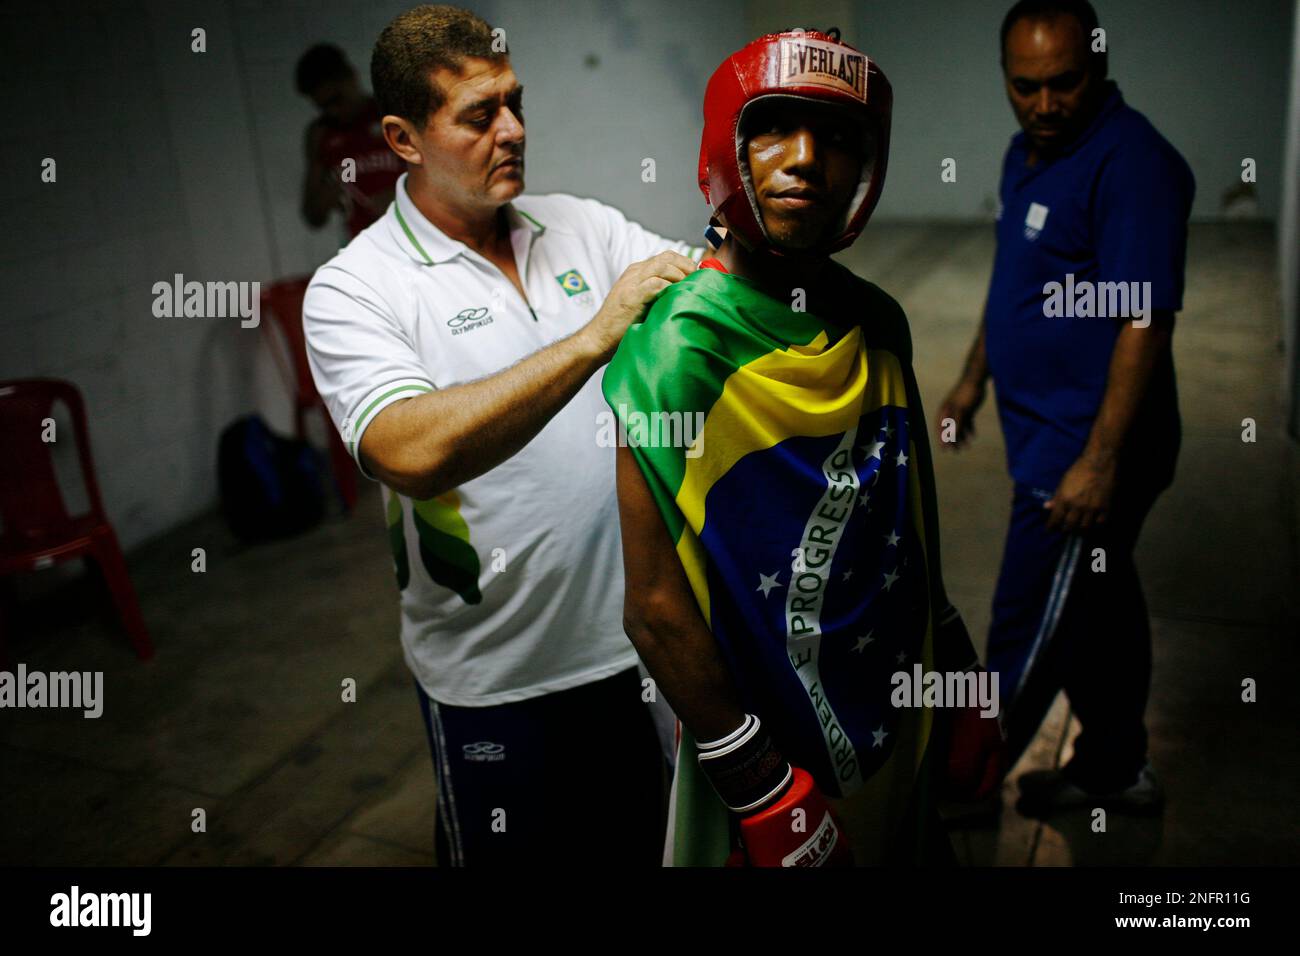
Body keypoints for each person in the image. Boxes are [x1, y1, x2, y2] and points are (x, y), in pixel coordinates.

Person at [303, 5, 703, 866]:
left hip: (634, 648)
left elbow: (706, 296)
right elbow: (408, 450)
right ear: (405, 139)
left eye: (516, 103)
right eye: (480, 116)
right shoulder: (356, 289)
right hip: (497, 683)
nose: (514, 131)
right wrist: (595, 336)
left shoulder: (583, 227)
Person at [604, 29, 1004, 867]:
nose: (805, 159)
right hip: (764, 742)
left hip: (889, 700)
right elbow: (652, 604)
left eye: (839, 137)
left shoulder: (879, 322)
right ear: (727, 147)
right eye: (775, 126)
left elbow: (910, 522)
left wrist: (954, 663)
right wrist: (754, 778)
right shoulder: (678, 352)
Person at [935, 0, 1193, 818]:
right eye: (1025, 87)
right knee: (1099, 608)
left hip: (1081, 456)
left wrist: (1099, 462)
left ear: (1101, 65)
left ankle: (959, 791)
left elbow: (1143, 318)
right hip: (1044, 433)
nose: (1045, 105)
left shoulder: (1133, 164)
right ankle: (1117, 770)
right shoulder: (1029, 154)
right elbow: (1018, 277)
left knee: (1026, 627)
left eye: (1065, 83)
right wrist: (975, 377)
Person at [296, 43, 404, 241]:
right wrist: (326, 197)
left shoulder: (391, 114)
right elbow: (313, 216)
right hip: (365, 249)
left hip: (415, 239)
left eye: (336, 100)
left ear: (351, 77)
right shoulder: (321, 134)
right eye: (323, 107)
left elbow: (442, 180)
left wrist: (404, 197)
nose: (333, 112)